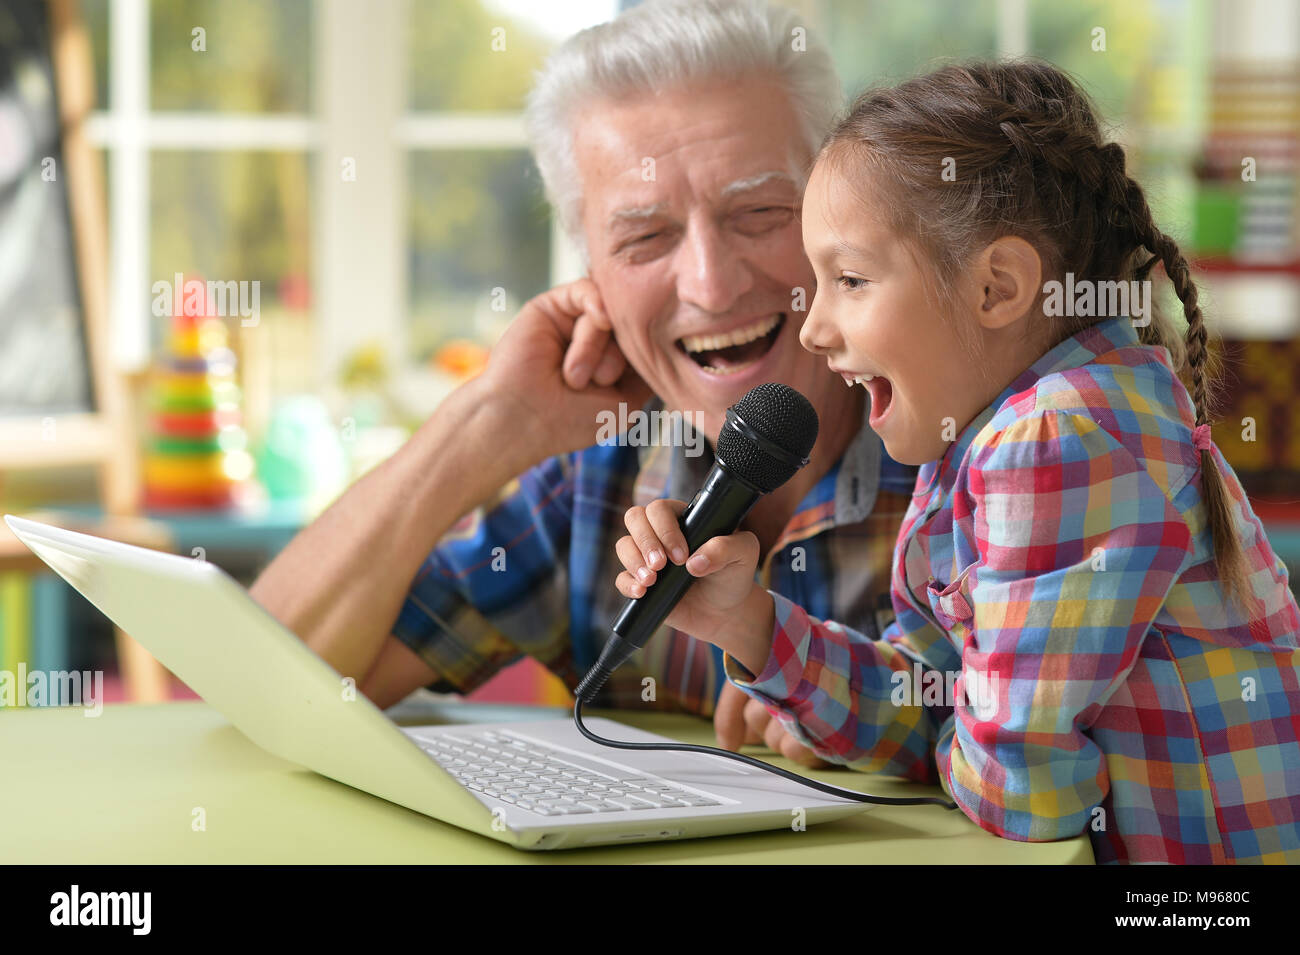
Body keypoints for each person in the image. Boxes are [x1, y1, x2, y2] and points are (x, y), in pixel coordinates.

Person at [613, 60, 1300, 863]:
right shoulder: (982, 441)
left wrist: (952, 744)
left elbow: (1020, 790)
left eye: (852, 279)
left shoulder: (1058, 437)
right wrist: (752, 626)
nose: (813, 329)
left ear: (996, 286)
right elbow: (934, 698)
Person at [250, 0, 916, 767]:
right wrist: (487, 422)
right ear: (590, 272)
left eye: (760, 212)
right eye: (645, 238)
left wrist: (838, 696)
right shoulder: (589, 477)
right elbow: (272, 685)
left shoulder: (973, 448)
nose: (711, 282)